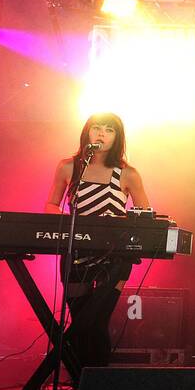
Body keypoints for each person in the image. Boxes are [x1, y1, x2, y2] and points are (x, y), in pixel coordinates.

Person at [44, 113, 149, 375]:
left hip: (114, 258)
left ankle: (96, 386)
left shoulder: (128, 174)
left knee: (96, 322)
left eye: (109, 130)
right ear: (87, 133)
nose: (101, 134)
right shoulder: (69, 167)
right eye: (96, 128)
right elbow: (51, 204)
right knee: (80, 322)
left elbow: (145, 216)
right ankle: (82, 386)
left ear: (118, 137)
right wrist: (59, 222)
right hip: (76, 251)